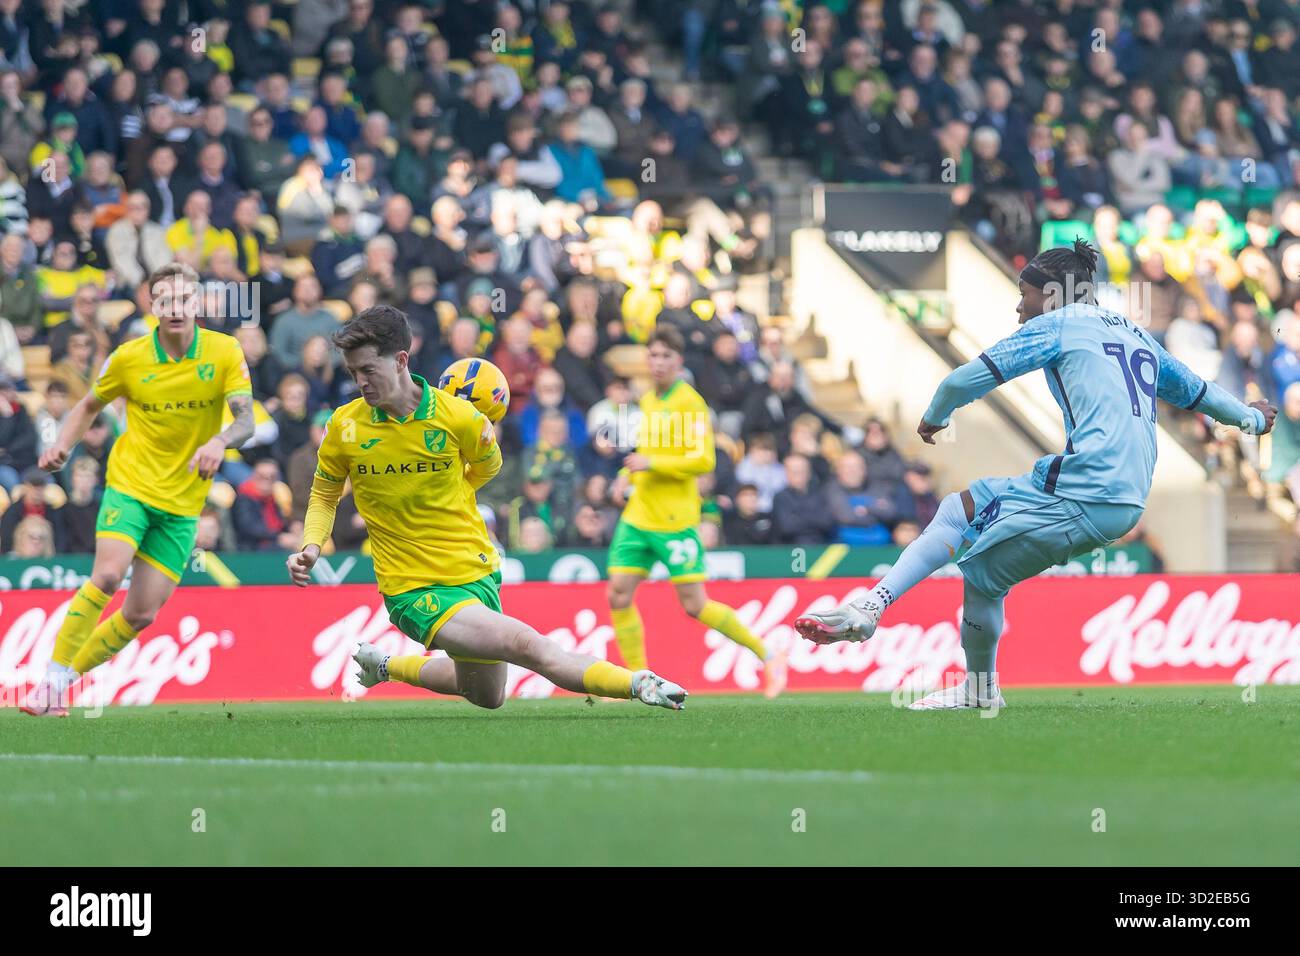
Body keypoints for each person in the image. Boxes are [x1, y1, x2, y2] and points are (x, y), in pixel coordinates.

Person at [796, 240, 1277, 710]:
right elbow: (1197, 392)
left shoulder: (1059, 324)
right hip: (1123, 495)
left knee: (980, 568)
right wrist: (1250, 419)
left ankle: (886, 623)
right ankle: (891, 624)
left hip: (1084, 489)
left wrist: (936, 415)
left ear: (1052, 294)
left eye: (1024, 294)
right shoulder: (1131, 332)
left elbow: (963, 379)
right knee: (964, 519)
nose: (1018, 307)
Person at [285, 306, 687, 712]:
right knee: (527, 645)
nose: (360, 382)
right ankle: (639, 684)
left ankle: (385, 666)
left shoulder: (459, 418)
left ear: (401, 360)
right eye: (353, 372)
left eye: (368, 370)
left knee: (486, 694)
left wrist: (443, 492)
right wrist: (312, 545)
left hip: (474, 570)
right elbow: (323, 494)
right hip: (412, 587)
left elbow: (487, 467)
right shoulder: (344, 426)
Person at [21, 262, 255, 717]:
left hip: (184, 502)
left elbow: (245, 418)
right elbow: (88, 405)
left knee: (141, 614)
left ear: (196, 302)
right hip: (130, 484)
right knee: (107, 576)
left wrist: (219, 439)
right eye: (164, 300)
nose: (175, 308)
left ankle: (62, 683)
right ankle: (48, 678)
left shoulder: (224, 351)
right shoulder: (129, 358)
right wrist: (61, 447)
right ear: (152, 305)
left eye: (184, 299)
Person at [605, 325, 787, 698]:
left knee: (694, 605)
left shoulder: (690, 403)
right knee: (618, 595)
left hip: (674, 521)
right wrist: (625, 476)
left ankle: (768, 655)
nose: (657, 363)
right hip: (638, 516)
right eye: (653, 355)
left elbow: (703, 459)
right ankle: (637, 679)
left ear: (678, 361)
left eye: (665, 357)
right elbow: (644, 451)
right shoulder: (649, 399)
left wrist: (650, 463)